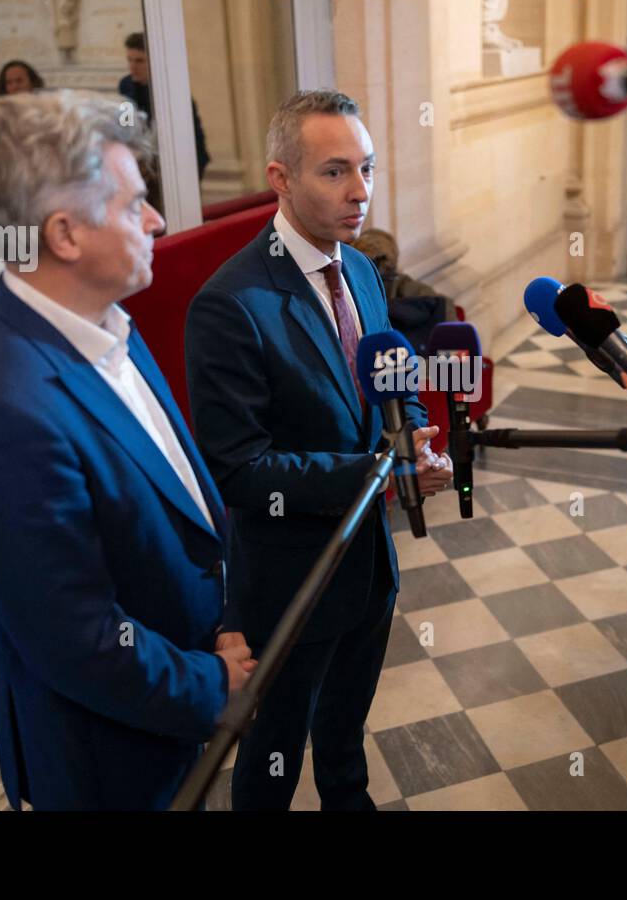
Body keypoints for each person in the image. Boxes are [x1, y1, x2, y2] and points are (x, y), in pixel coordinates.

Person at [0, 90, 254, 810]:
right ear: (65, 235)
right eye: (135, 202)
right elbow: (78, 641)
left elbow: (176, 507)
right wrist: (214, 683)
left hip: (172, 706)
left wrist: (224, 619)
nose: (156, 219)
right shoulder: (1, 414)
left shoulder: (104, 321)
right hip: (108, 762)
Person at [185, 89, 452, 811]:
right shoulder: (230, 304)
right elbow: (239, 471)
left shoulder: (361, 268)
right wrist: (379, 471)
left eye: (366, 168)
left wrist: (417, 437)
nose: (360, 192)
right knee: (273, 756)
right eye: (335, 172)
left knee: (345, 735)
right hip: (288, 581)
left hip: (370, 560)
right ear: (280, 178)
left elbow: (391, 380)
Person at [119, 31, 211, 181]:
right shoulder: (126, 85)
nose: (132, 67)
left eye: (139, 61)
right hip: (142, 165)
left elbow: (192, 137)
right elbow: (126, 125)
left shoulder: (172, 89)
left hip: (177, 165)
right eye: (129, 60)